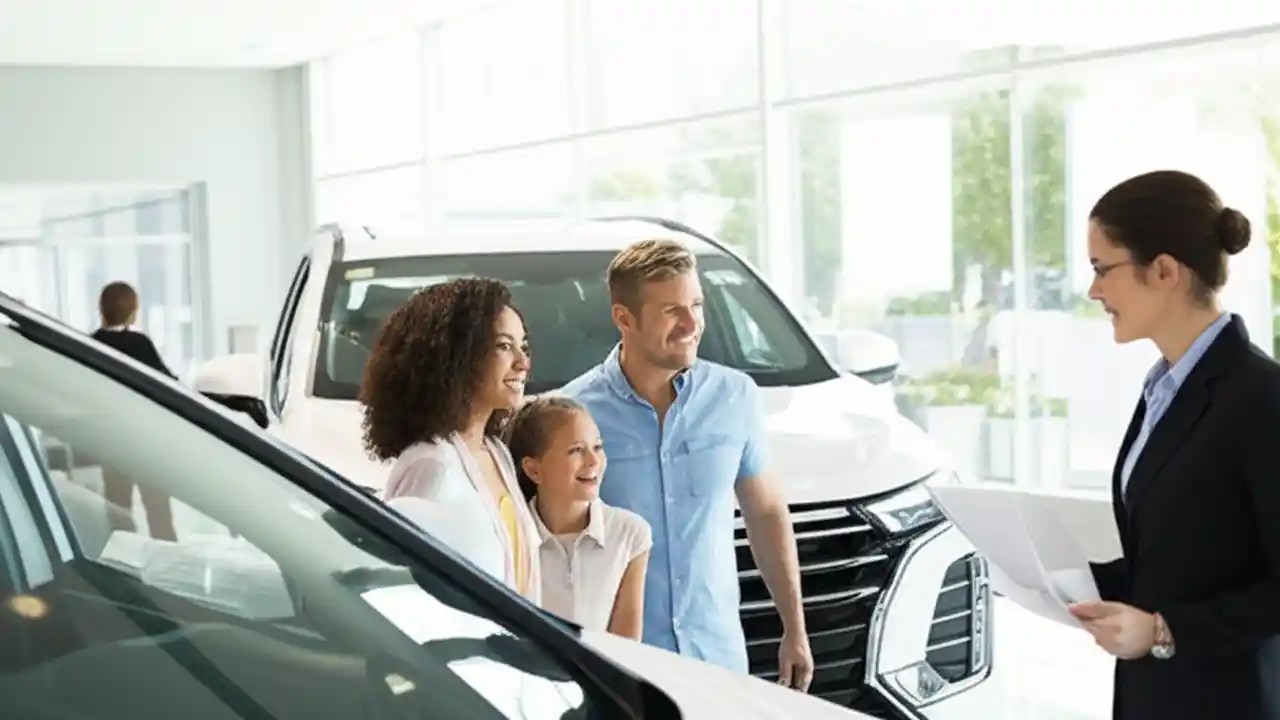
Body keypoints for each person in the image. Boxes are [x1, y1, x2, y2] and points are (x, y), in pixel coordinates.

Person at [1065, 170, 1280, 719]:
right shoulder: (1165, 388)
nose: (1094, 291)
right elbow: (1184, 551)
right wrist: (1063, 575)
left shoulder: (1261, 395)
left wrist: (1162, 631)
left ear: (1163, 271)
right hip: (1154, 698)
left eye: (1101, 269)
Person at [563, 239, 814, 691]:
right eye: (671, 311)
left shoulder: (736, 396)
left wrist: (794, 628)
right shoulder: (571, 414)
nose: (692, 323)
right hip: (619, 667)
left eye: (696, 305)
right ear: (624, 318)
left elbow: (766, 513)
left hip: (719, 661)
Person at [361, 278, 540, 602]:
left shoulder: (496, 452)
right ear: (458, 357)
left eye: (523, 346)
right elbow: (404, 583)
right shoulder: (431, 463)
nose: (523, 362)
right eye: (503, 346)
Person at [506, 394, 651, 640]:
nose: (593, 461)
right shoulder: (511, 534)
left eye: (597, 447)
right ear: (533, 470)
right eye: (576, 450)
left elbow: (627, 645)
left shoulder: (630, 533)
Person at [91, 281, 177, 541]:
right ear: (133, 312)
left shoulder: (91, 344)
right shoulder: (140, 344)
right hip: (144, 437)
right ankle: (167, 557)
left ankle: (123, 559)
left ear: (102, 310)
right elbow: (167, 382)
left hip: (111, 438)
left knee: (117, 506)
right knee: (158, 508)